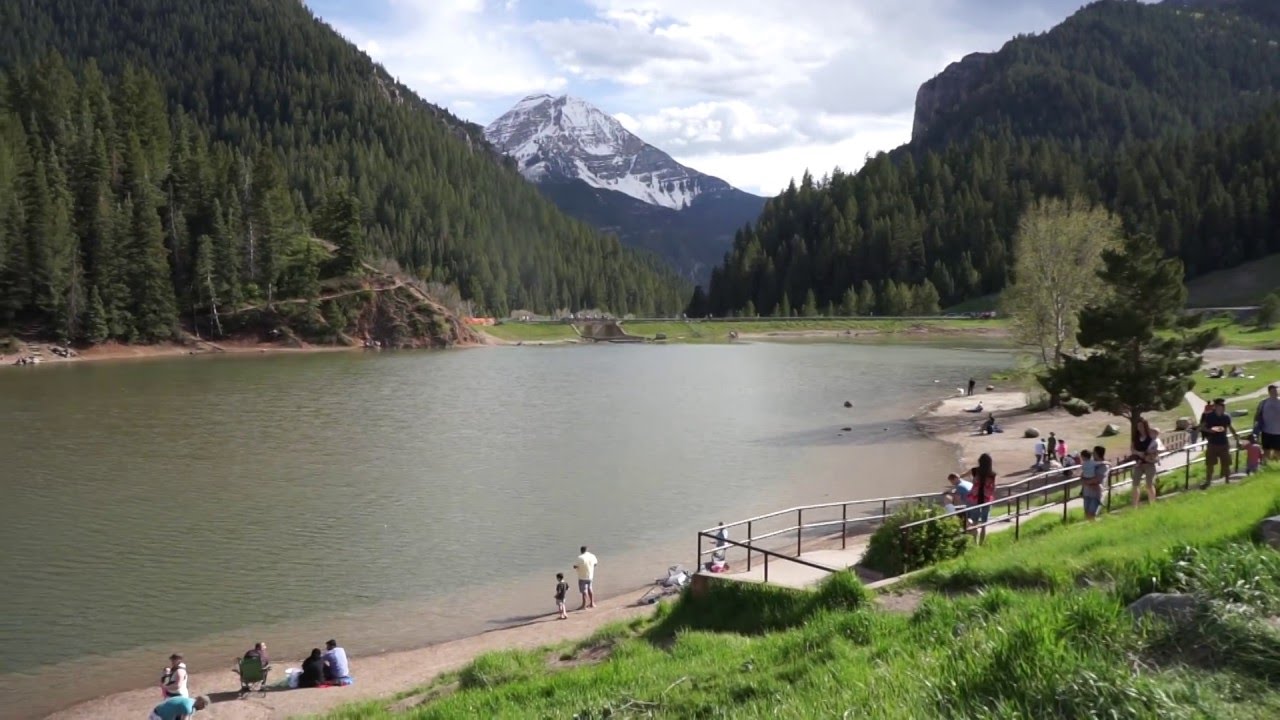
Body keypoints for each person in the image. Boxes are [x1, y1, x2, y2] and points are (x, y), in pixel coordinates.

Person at [1199, 398, 1239, 489]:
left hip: (1224, 443)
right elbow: (1201, 428)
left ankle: (1228, 481)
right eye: (1221, 406)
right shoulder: (1209, 416)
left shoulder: (1226, 417)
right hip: (1212, 443)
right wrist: (1210, 430)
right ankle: (1208, 482)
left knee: (1226, 463)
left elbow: (1230, 427)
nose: (1223, 407)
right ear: (1216, 406)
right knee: (1210, 464)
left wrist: (1236, 437)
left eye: (1224, 406)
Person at [1129, 420, 1162, 508]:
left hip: (1149, 463)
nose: (1140, 428)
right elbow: (1132, 449)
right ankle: (1134, 506)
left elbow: (1157, 448)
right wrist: (1139, 453)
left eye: (1141, 426)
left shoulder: (1151, 438)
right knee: (1135, 484)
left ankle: (1152, 504)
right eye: (1138, 426)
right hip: (1139, 464)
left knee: (1149, 485)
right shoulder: (1136, 438)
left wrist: (1151, 453)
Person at [970, 454, 998, 543]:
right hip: (986, 499)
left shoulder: (975, 471)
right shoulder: (992, 474)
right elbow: (993, 487)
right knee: (984, 524)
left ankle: (975, 542)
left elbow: (972, 481)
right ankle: (981, 543)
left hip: (975, 498)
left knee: (974, 522)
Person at [1255, 384, 1280, 464]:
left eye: (1276, 391)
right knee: (1266, 450)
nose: (1275, 392)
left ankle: (1276, 465)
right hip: (1266, 431)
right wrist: (1256, 429)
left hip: (1278, 432)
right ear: (1269, 392)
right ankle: (1267, 466)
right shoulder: (1263, 403)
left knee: (1278, 452)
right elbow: (1257, 416)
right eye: (1273, 391)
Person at [573, 545, 598, 610]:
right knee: (590, 589)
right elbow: (595, 564)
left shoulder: (580, 557)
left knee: (584, 591)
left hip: (582, 576)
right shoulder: (592, 556)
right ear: (587, 550)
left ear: (581, 551)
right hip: (590, 576)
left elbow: (575, 566)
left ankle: (584, 605)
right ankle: (592, 603)